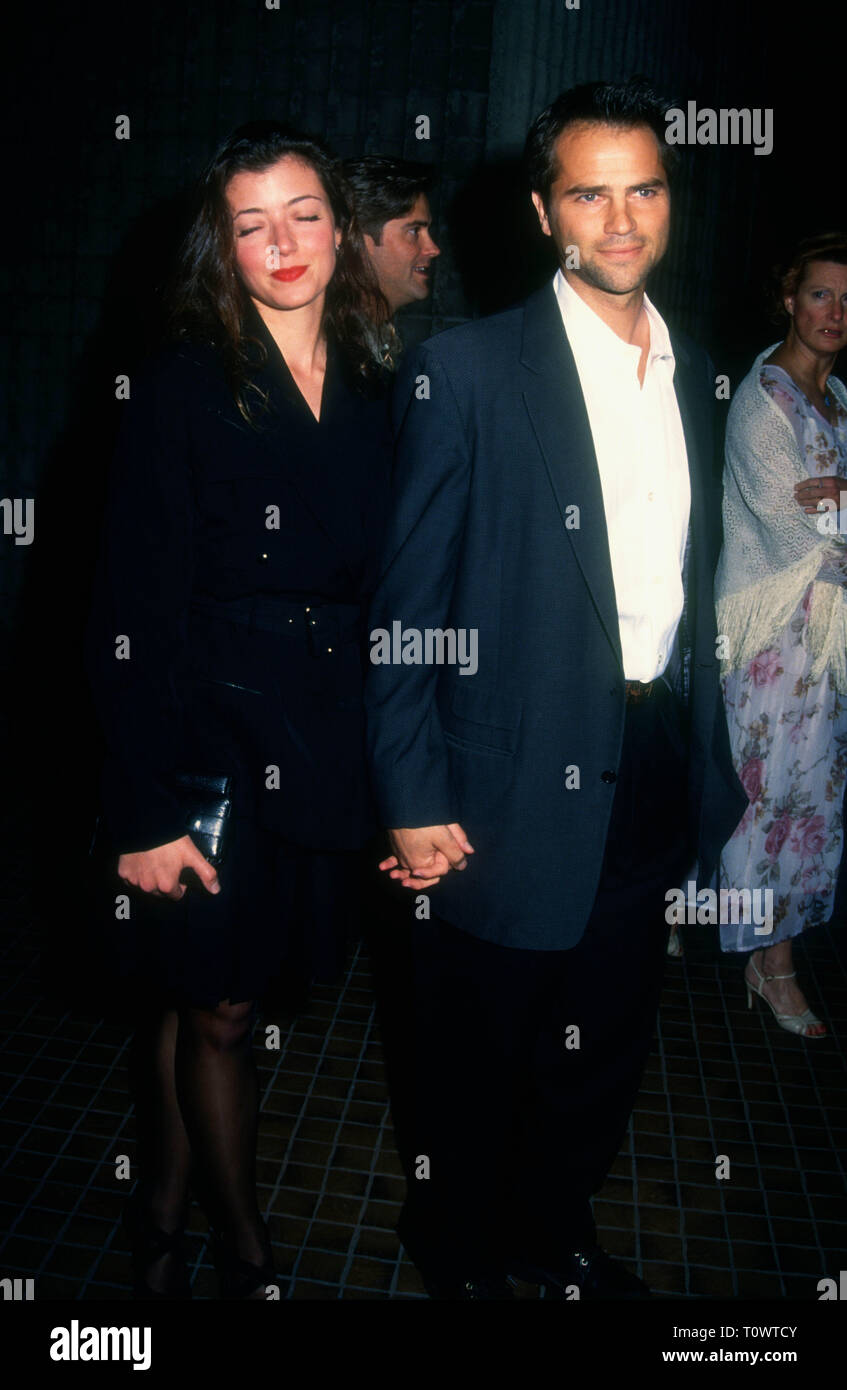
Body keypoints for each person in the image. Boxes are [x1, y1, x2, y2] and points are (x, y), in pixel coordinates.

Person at [365, 77, 746, 1301]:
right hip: (500, 779)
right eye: (591, 192)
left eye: (645, 188)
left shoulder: (696, 377)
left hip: (649, 767)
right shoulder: (467, 373)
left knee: (603, 1043)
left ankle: (554, 1228)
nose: (622, 218)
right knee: (474, 1052)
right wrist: (410, 791)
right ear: (543, 212)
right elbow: (405, 613)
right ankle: (458, 1249)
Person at [85, 121, 392, 1299]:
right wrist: (143, 806)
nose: (281, 244)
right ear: (222, 243)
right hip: (206, 739)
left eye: (303, 214)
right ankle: (245, 1249)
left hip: (326, 735)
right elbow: (126, 610)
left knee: (220, 986)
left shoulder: (376, 375)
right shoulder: (179, 385)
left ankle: (155, 1212)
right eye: (250, 222)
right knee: (217, 1005)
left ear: (338, 227)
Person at [715, 233, 847, 1039]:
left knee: (812, 800)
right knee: (764, 801)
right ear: (788, 301)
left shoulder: (840, 400)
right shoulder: (760, 400)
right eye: (819, 294)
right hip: (772, 641)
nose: (835, 313)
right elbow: (790, 529)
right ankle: (770, 964)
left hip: (826, 643)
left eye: (846, 299)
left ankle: (771, 959)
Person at [342, 156, 440, 319]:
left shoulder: (377, 336)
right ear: (359, 240)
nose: (433, 250)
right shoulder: (326, 340)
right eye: (414, 231)